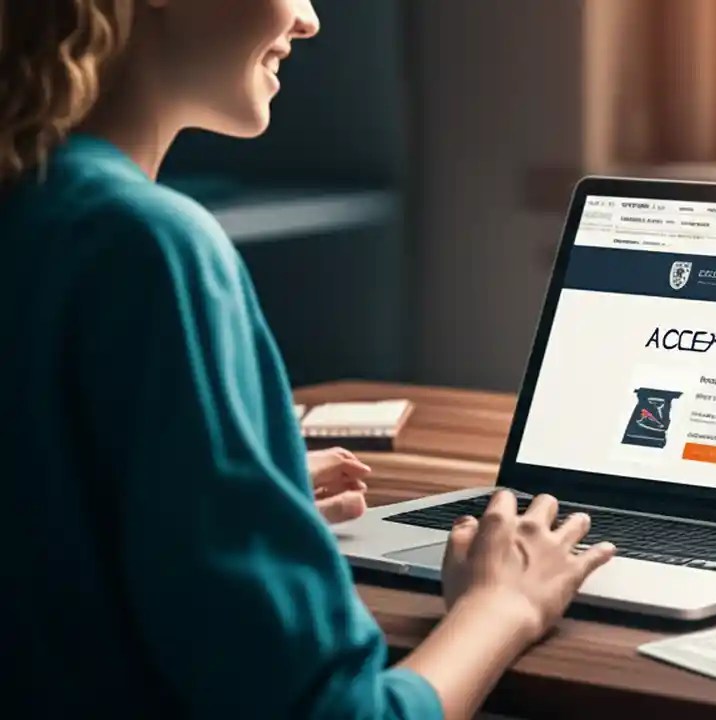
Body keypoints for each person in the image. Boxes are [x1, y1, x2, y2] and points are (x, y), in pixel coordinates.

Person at [0, 1, 615, 718]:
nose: (309, 19)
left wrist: (218, 501)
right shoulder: (147, 244)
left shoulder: (33, 207)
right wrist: (502, 607)